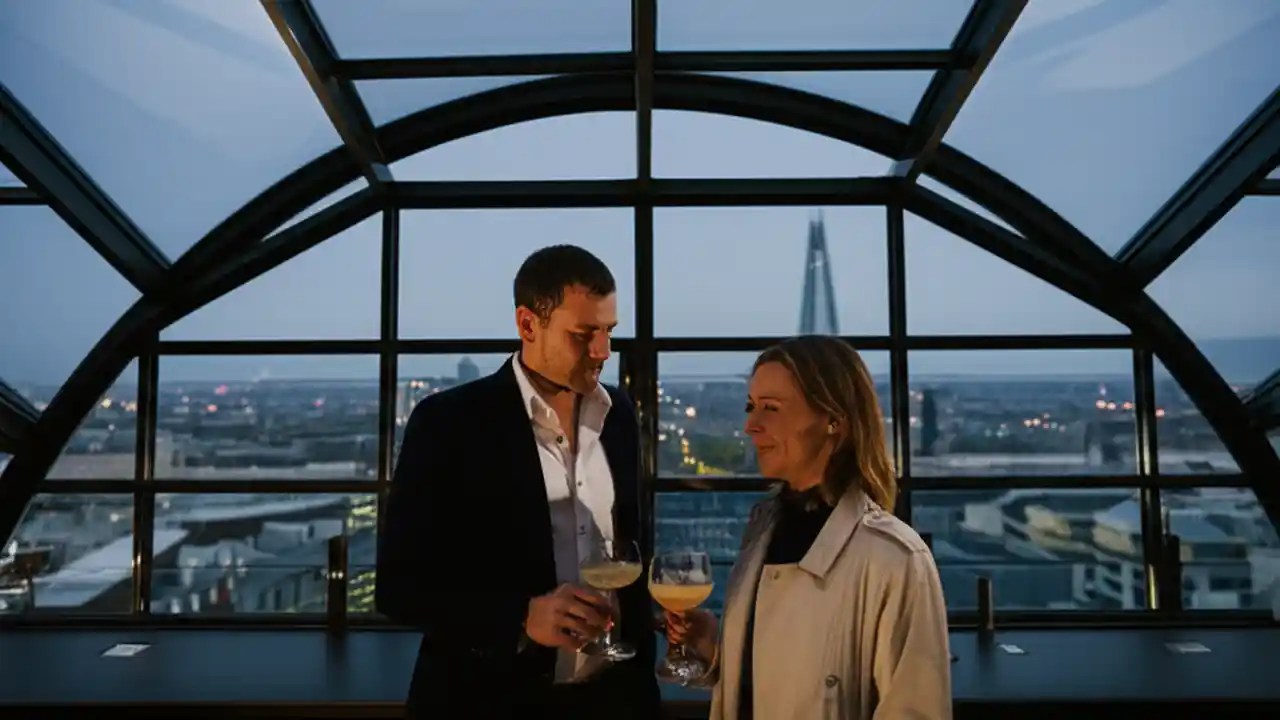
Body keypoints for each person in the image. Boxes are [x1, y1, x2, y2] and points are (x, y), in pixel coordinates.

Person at [377, 245, 659, 718]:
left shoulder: (620, 414)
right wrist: (520, 619)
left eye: (609, 332)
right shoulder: (449, 423)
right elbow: (400, 588)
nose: (603, 352)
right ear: (528, 324)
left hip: (615, 699)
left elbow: (628, 547)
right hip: (489, 700)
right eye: (583, 334)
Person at [666, 336, 952, 719]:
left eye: (771, 408)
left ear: (834, 421)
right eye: (750, 407)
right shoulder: (763, 529)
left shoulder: (895, 558)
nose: (751, 426)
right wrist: (720, 649)